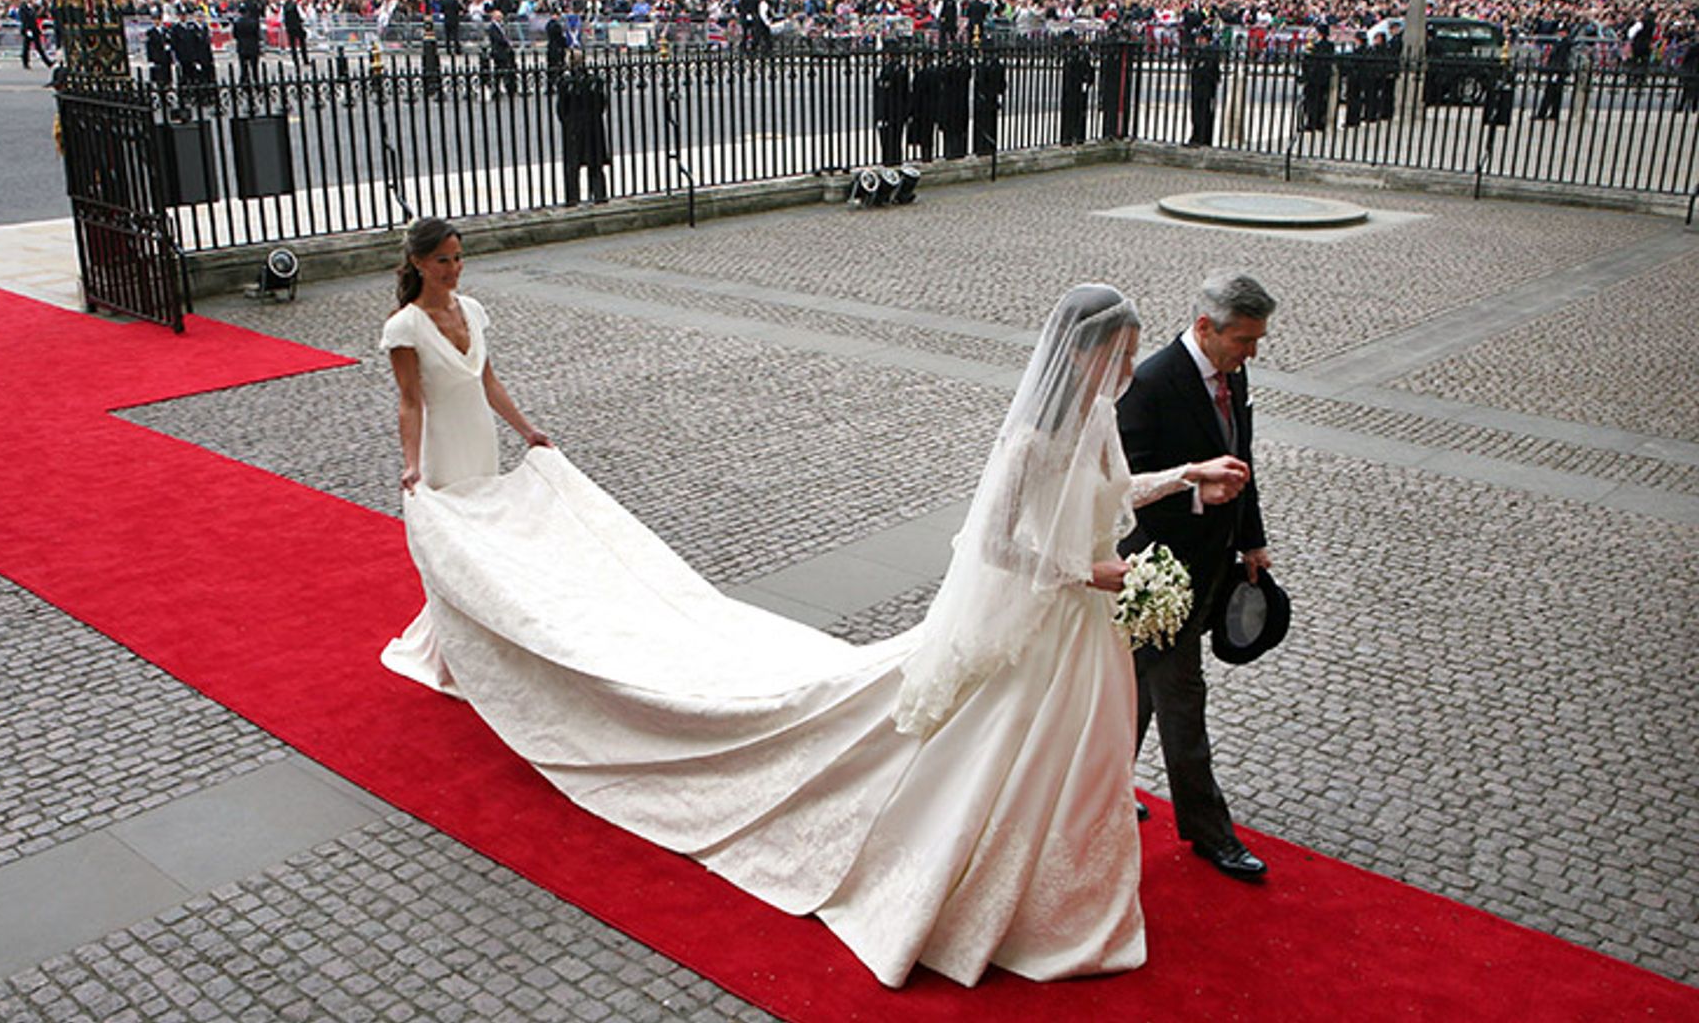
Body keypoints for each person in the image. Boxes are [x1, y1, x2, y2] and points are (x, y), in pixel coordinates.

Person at [385, 285, 1249, 987]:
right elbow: (996, 544)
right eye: (1120, 353)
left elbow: (1111, 494)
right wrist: (1085, 574)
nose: (1130, 367)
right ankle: (1012, 895)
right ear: (1082, 353)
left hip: (1086, 628)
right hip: (1051, 619)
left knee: (1085, 760)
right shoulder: (1029, 438)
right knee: (1012, 758)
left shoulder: (1099, 420)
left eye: (1132, 354)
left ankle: (1078, 890)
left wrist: (1186, 479)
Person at [1116, 271, 1276, 882]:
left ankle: (1097, 790)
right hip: (1157, 574)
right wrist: (1196, 490)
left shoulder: (1235, 373)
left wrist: (1252, 538)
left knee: (1133, 694)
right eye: (1244, 340)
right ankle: (1212, 834)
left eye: (1257, 341)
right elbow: (1121, 488)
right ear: (1205, 327)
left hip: (1212, 564)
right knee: (1182, 699)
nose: (1252, 353)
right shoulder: (1150, 384)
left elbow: (1243, 461)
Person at [380, 218, 552, 684]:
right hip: (443, 445)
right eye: (443, 260)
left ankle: (485, 638)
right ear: (418, 262)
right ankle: (450, 653)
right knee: (455, 551)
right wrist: (412, 464)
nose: (454, 269)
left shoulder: (473, 311)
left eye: (458, 258)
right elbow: (410, 401)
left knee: (485, 541)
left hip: (480, 438)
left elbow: (489, 383)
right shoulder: (404, 327)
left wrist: (526, 430)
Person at [555, 50, 610, 205]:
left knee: (573, 166)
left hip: (574, 128)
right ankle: (599, 195)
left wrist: (568, 122)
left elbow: (561, 109)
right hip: (594, 127)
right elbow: (602, 104)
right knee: (595, 164)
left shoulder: (565, 83)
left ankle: (572, 198)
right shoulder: (595, 80)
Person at [17, 0, 53, 70]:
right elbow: (24, 19)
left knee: (38, 47)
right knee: (26, 47)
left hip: (34, 29)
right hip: (28, 29)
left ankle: (48, 62)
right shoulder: (23, 8)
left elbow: (38, 14)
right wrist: (27, 29)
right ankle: (26, 62)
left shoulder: (34, 7)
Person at [283, 0, 310, 69]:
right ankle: (305, 60)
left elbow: (283, 17)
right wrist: (301, 20)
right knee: (302, 43)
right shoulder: (295, 5)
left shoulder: (285, 6)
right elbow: (300, 15)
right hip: (297, 26)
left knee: (293, 46)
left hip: (289, 27)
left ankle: (295, 61)